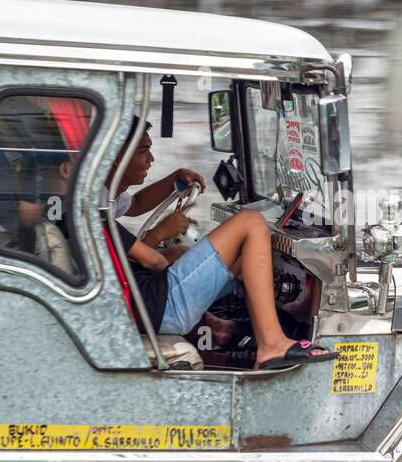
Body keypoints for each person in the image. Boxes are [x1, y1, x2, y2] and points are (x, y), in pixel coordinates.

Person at [109, 122, 337, 370]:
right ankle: (271, 344)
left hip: (147, 302)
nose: (150, 159)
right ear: (115, 157)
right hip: (156, 306)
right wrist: (160, 234)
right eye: (143, 151)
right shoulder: (91, 210)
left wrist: (172, 182)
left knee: (233, 252)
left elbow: (134, 205)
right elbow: (151, 260)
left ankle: (225, 327)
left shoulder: (100, 198)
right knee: (251, 223)